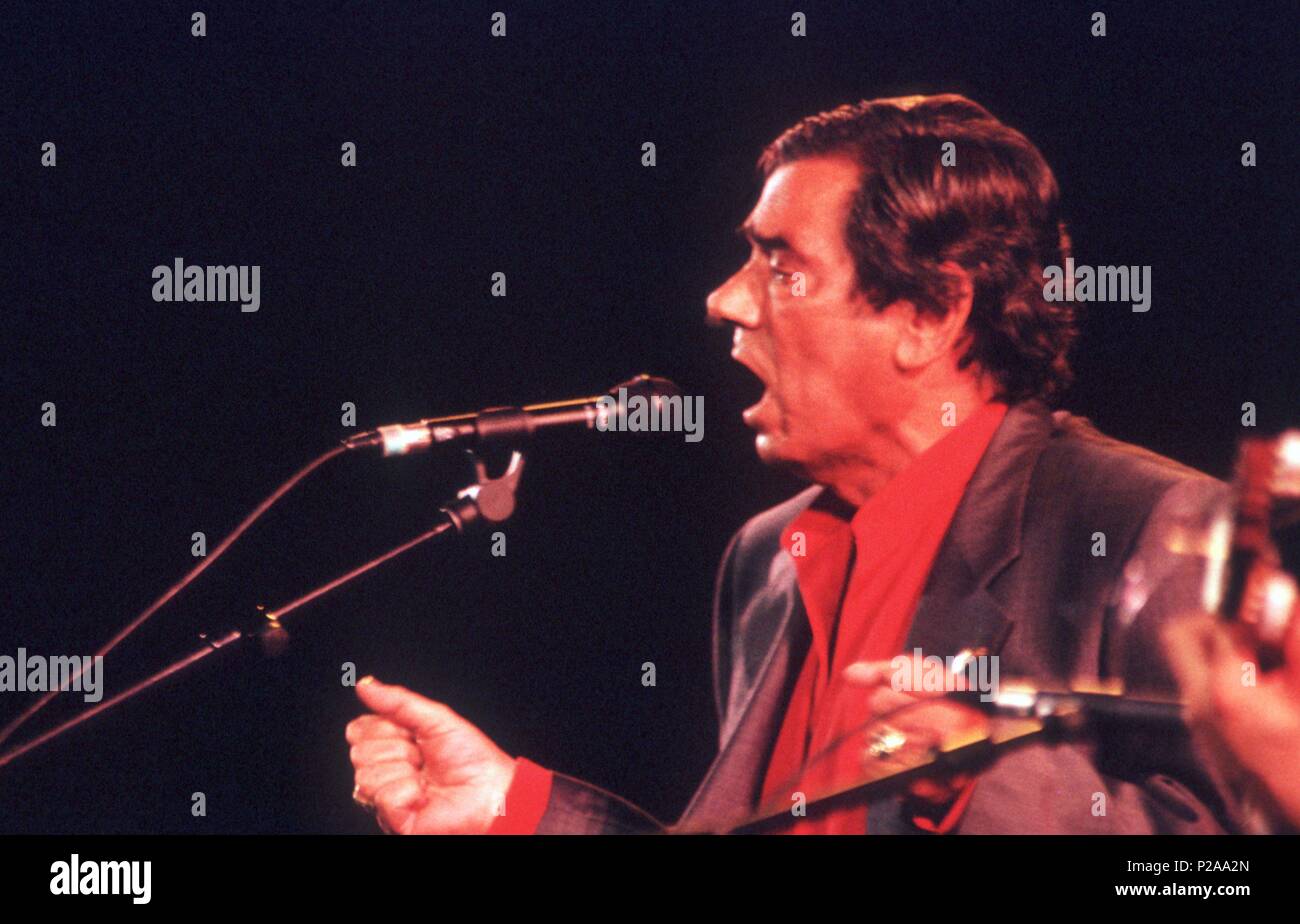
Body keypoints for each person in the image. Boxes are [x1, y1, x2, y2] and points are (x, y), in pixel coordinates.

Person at [346, 94, 1240, 834]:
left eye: (782, 266)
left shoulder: (1150, 528)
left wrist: (981, 786)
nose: (726, 298)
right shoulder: (767, 558)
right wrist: (514, 808)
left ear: (932, 314)